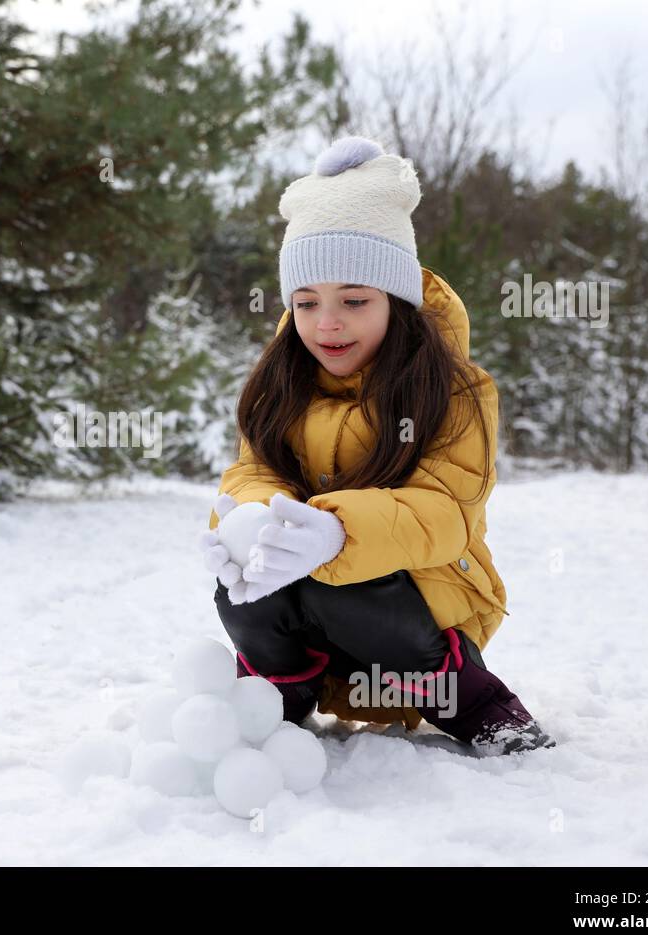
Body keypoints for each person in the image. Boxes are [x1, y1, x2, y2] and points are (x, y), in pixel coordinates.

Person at [197, 135, 554, 755]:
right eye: (306, 303)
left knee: (352, 582)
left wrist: (336, 532)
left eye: (354, 301)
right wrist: (254, 520)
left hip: (422, 602)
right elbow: (252, 470)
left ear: (397, 301)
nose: (326, 324)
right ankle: (281, 694)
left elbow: (445, 511)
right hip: (312, 601)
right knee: (244, 581)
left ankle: (476, 702)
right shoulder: (282, 382)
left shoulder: (455, 390)